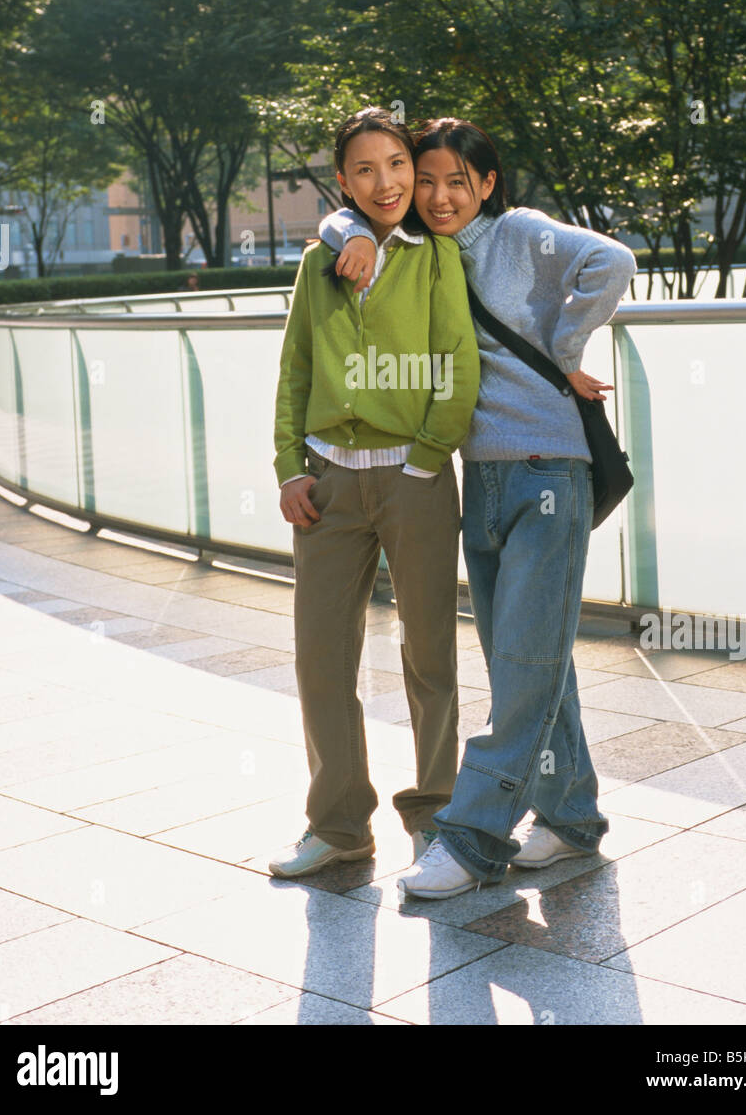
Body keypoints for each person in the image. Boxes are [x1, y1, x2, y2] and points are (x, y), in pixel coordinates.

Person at [319, 117, 636, 898]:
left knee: (524, 668)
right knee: (529, 658)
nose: (436, 196)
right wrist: (347, 233)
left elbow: (614, 260)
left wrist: (564, 349)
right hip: (480, 478)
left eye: (456, 182)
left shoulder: (518, 232)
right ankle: (571, 817)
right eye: (423, 180)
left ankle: (470, 837)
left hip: (547, 471)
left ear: (487, 185)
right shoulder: (419, 251)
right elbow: (343, 220)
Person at [269, 107, 480, 880]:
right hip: (328, 483)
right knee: (320, 659)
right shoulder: (319, 261)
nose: (385, 182)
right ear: (343, 182)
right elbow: (295, 368)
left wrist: (427, 457)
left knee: (430, 655)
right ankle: (337, 827)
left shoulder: (437, 256)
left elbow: (457, 361)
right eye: (365, 169)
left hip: (414, 481)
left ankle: (436, 817)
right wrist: (290, 467)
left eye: (397, 165)